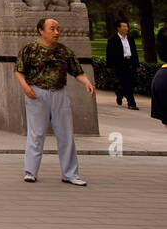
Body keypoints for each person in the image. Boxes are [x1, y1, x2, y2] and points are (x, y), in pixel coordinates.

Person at [14, 16, 97, 186]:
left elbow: (77, 71)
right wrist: (25, 87)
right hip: (36, 93)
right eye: (52, 29)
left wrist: (87, 82)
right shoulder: (30, 49)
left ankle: (70, 173)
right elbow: (19, 70)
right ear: (41, 30)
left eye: (57, 29)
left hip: (59, 93)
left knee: (65, 134)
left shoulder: (64, 51)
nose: (56, 32)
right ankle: (30, 171)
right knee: (36, 133)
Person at [106, 20, 140, 109]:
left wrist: (137, 65)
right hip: (120, 63)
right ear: (118, 28)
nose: (126, 28)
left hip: (130, 62)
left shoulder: (130, 38)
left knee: (132, 82)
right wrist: (109, 66)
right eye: (124, 27)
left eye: (127, 26)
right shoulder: (113, 39)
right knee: (126, 82)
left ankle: (120, 92)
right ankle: (131, 103)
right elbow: (109, 53)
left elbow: (134, 52)